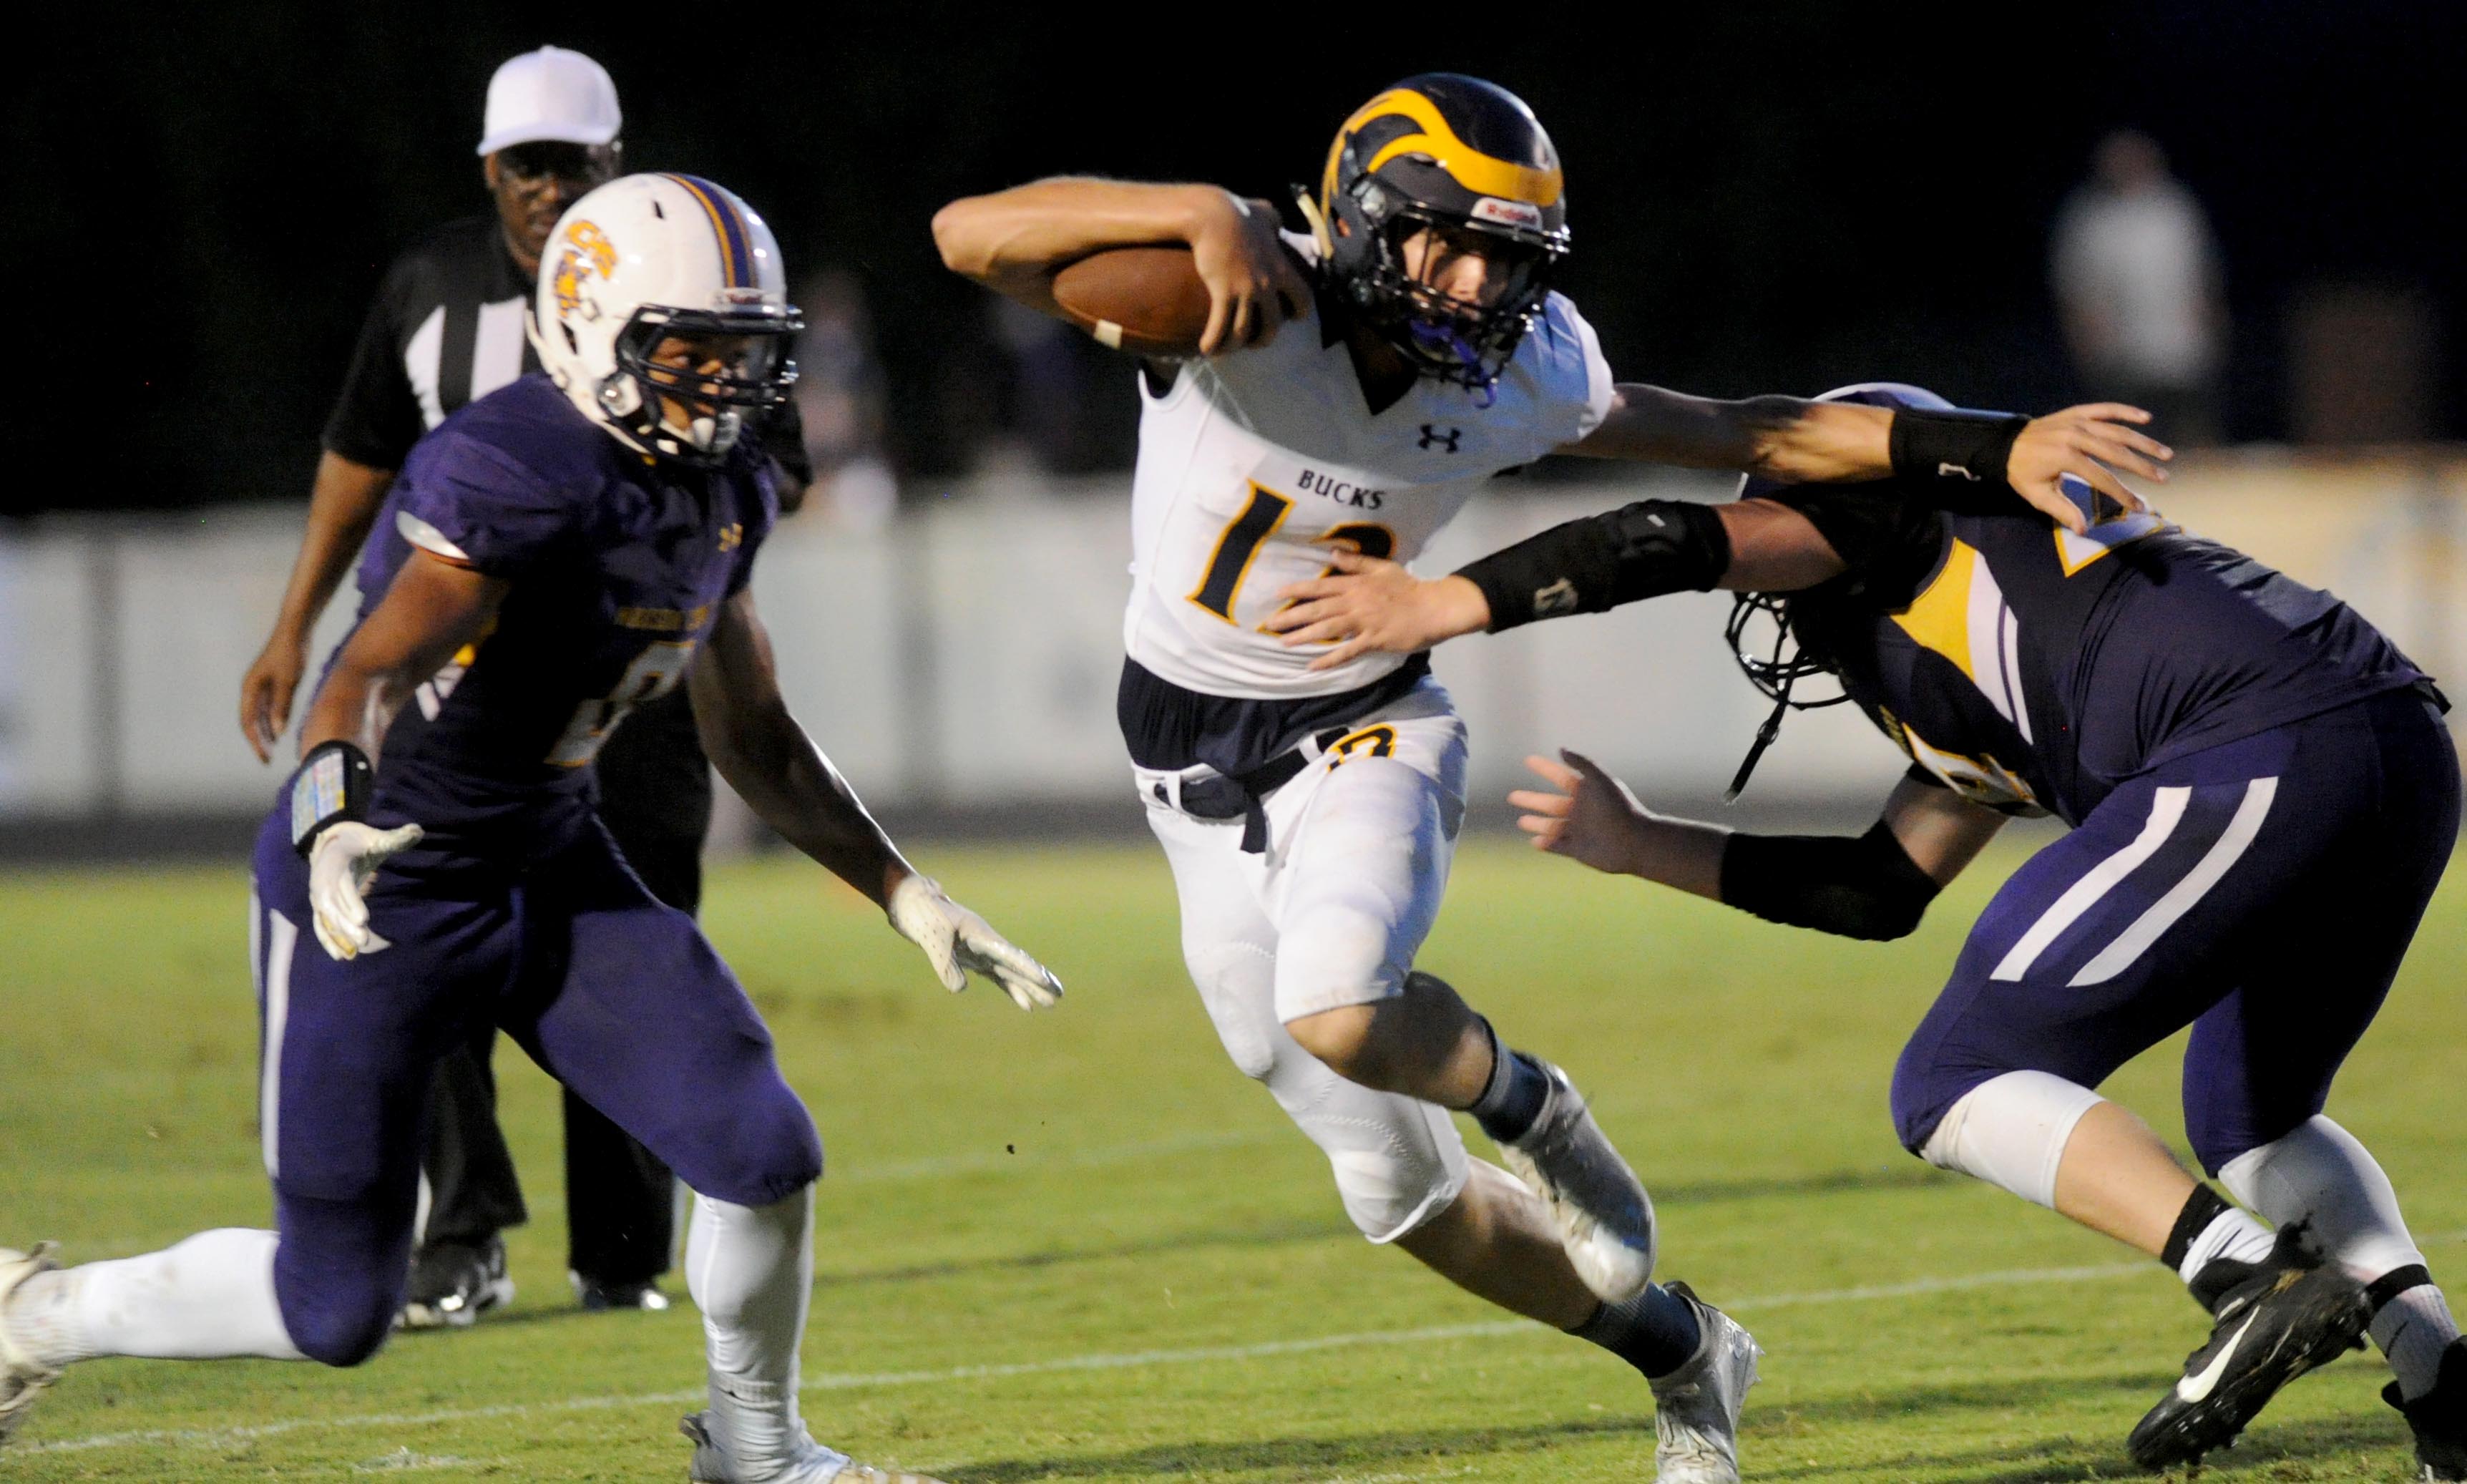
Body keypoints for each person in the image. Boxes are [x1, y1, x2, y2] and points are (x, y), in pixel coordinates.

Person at [932, 76, 2166, 1483]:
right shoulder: (1249, 300)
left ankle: (1532, 1105)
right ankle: (1684, 1350)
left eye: (1504, 257)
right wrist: (1192, 210)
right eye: (1440, 241)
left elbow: (1745, 430)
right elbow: (968, 232)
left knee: (1335, 1005)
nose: (1470, 284)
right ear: (1353, 217)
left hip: (1367, 722)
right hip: (1181, 768)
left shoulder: (1527, 374)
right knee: (1398, 1197)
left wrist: (1994, 445)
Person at [0, 173, 1057, 1484]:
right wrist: (333, 815)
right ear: (588, 325)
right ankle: (30, 1317)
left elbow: (758, 734)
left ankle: (759, 1448)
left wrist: (903, 887)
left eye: (744, 352)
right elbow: (370, 674)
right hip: (388, 877)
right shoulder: (516, 466)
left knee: (761, 1149)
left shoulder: (722, 488)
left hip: (552, 861)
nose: (723, 383)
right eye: (688, 347)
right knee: (329, 1308)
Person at [1266, 379, 2465, 1478]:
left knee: (1953, 1077)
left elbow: (1673, 541)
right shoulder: (1976, 630)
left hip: (2258, 746)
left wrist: (1446, 601)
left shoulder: (1891, 515)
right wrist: (1640, 842)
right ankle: (2446, 1384)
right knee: (2250, 1112)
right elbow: (1878, 884)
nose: (1770, 589)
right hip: (2390, 748)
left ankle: (2243, 1276)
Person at [238, 45, 809, 1324]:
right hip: (459, 714)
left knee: (715, 1057)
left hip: (614, 705)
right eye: (529, 163)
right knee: (334, 1286)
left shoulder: (702, 355)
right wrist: (303, 658)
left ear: (614, 163)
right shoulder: (454, 334)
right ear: (492, 171)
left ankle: (630, 1263)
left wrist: (901, 884)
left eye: (575, 161)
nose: (550, 185)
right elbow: (361, 486)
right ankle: (462, 1233)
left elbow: (758, 704)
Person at [2051, 130, 2227, 445]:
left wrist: (2210, 324)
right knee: (2130, 422)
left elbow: (2201, 273)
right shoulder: (2092, 218)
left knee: (2191, 418)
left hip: (2179, 341)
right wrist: (2088, 337)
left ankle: (2204, 480)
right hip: (2122, 346)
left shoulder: (2175, 209)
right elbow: (2078, 286)